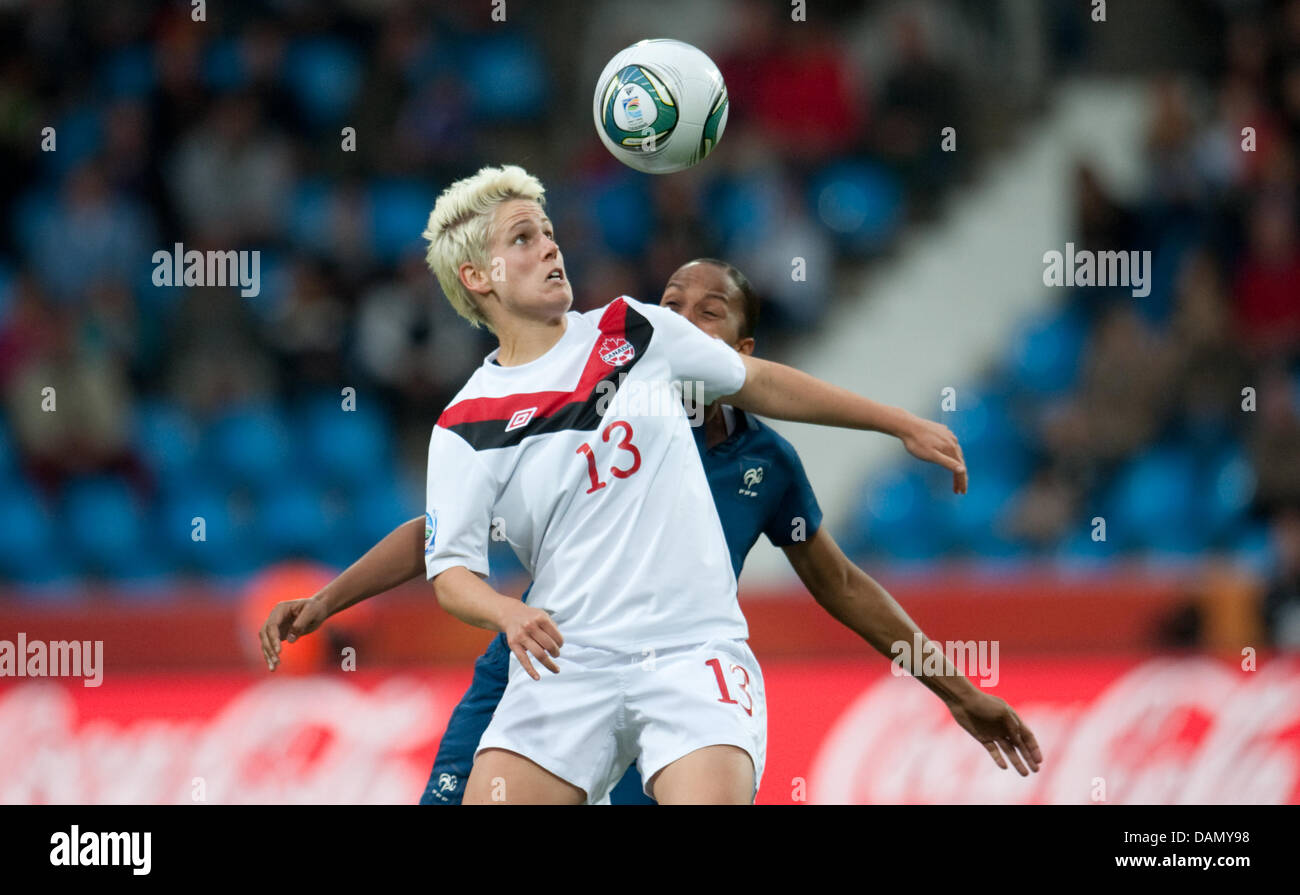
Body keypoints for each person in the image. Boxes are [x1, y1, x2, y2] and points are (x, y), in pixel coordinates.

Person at [268, 163, 999, 805]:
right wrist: (499, 612)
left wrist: (894, 422)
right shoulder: (465, 424)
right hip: (561, 660)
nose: (551, 244)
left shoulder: (635, 332)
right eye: (524, 237)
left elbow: (766, 387)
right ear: (477, 277)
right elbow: (445, 557)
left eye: (549, 230)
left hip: (690, 655)